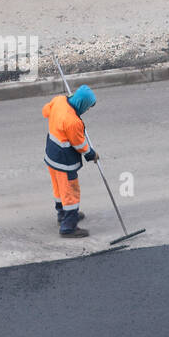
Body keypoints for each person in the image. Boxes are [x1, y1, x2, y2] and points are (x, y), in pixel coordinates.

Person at [42, 85, 99, 237]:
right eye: (87, 107)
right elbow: (79, 144)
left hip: (52, 155)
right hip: (64, 161)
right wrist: (91, 154)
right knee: (70, 192)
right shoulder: (73, 121)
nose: (86, 110)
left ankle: (62, 215)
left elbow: (45, 111)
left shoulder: (59, 100)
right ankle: (68, 226)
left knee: (59, 189)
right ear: (82, 103)